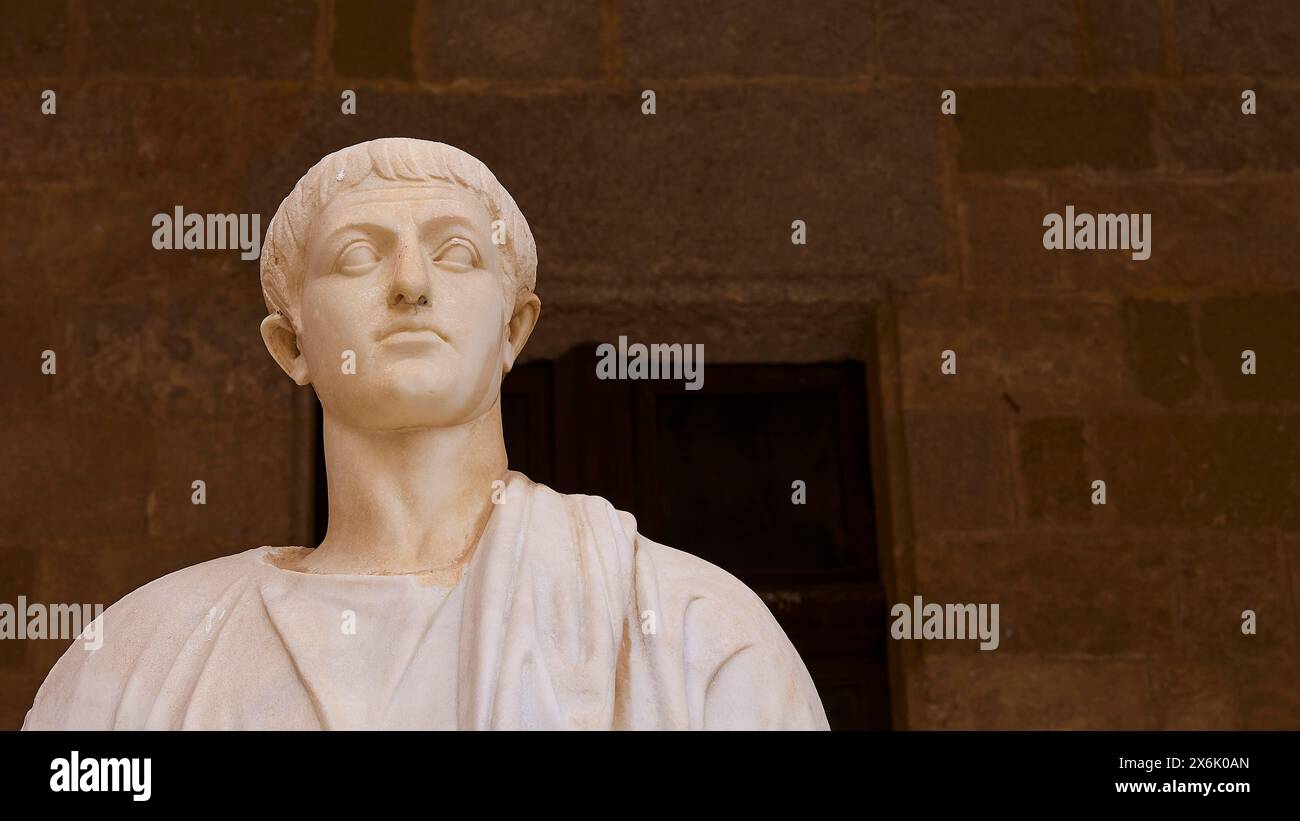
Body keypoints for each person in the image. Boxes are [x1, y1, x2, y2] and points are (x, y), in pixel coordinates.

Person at [23, 138, 829, 730]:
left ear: (514, 328)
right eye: (356, 256)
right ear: (292, 344)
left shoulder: (691, 632)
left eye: (454, 252)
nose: (410, 284)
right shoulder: (134, 661)